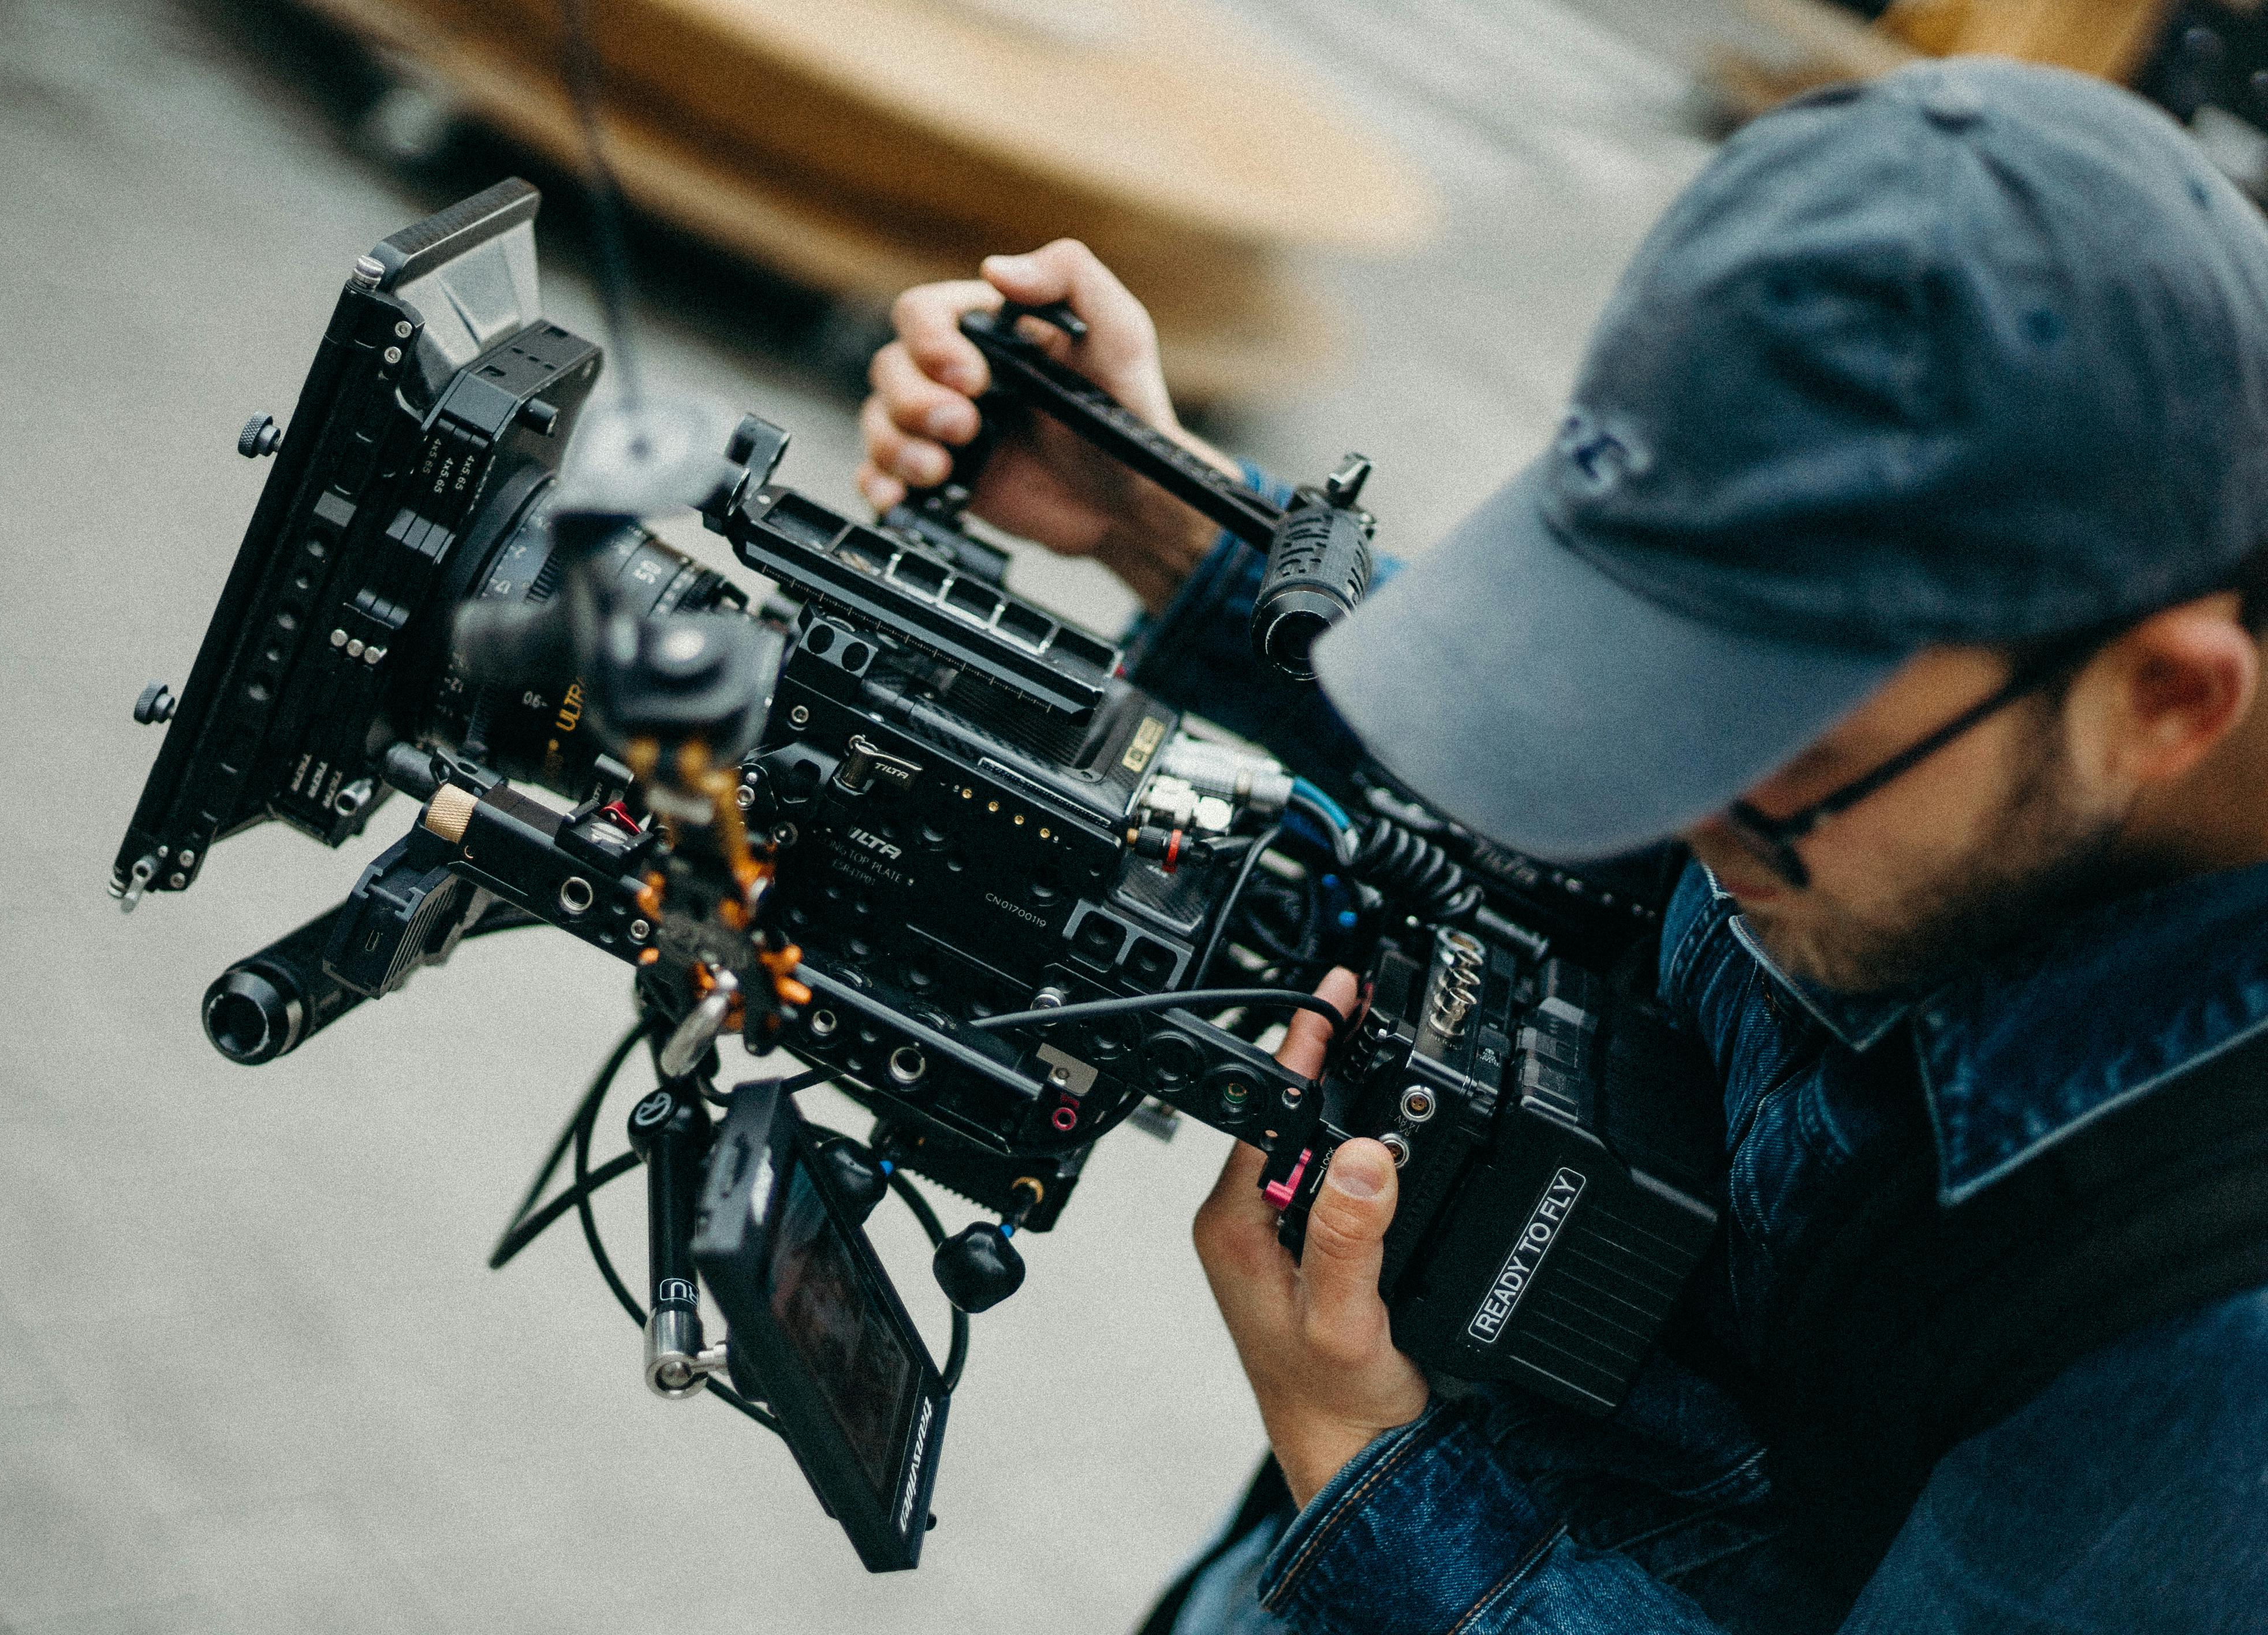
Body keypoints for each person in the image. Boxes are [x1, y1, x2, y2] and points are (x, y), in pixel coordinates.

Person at [858, 57, 2268, 1635]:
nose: (1658, 805)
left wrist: (1374, 1470)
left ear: (2164, 699)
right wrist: (1163, 525)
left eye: (1756, 754)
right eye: (1644, 706)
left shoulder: (2225, 1342)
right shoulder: (1943, 764)